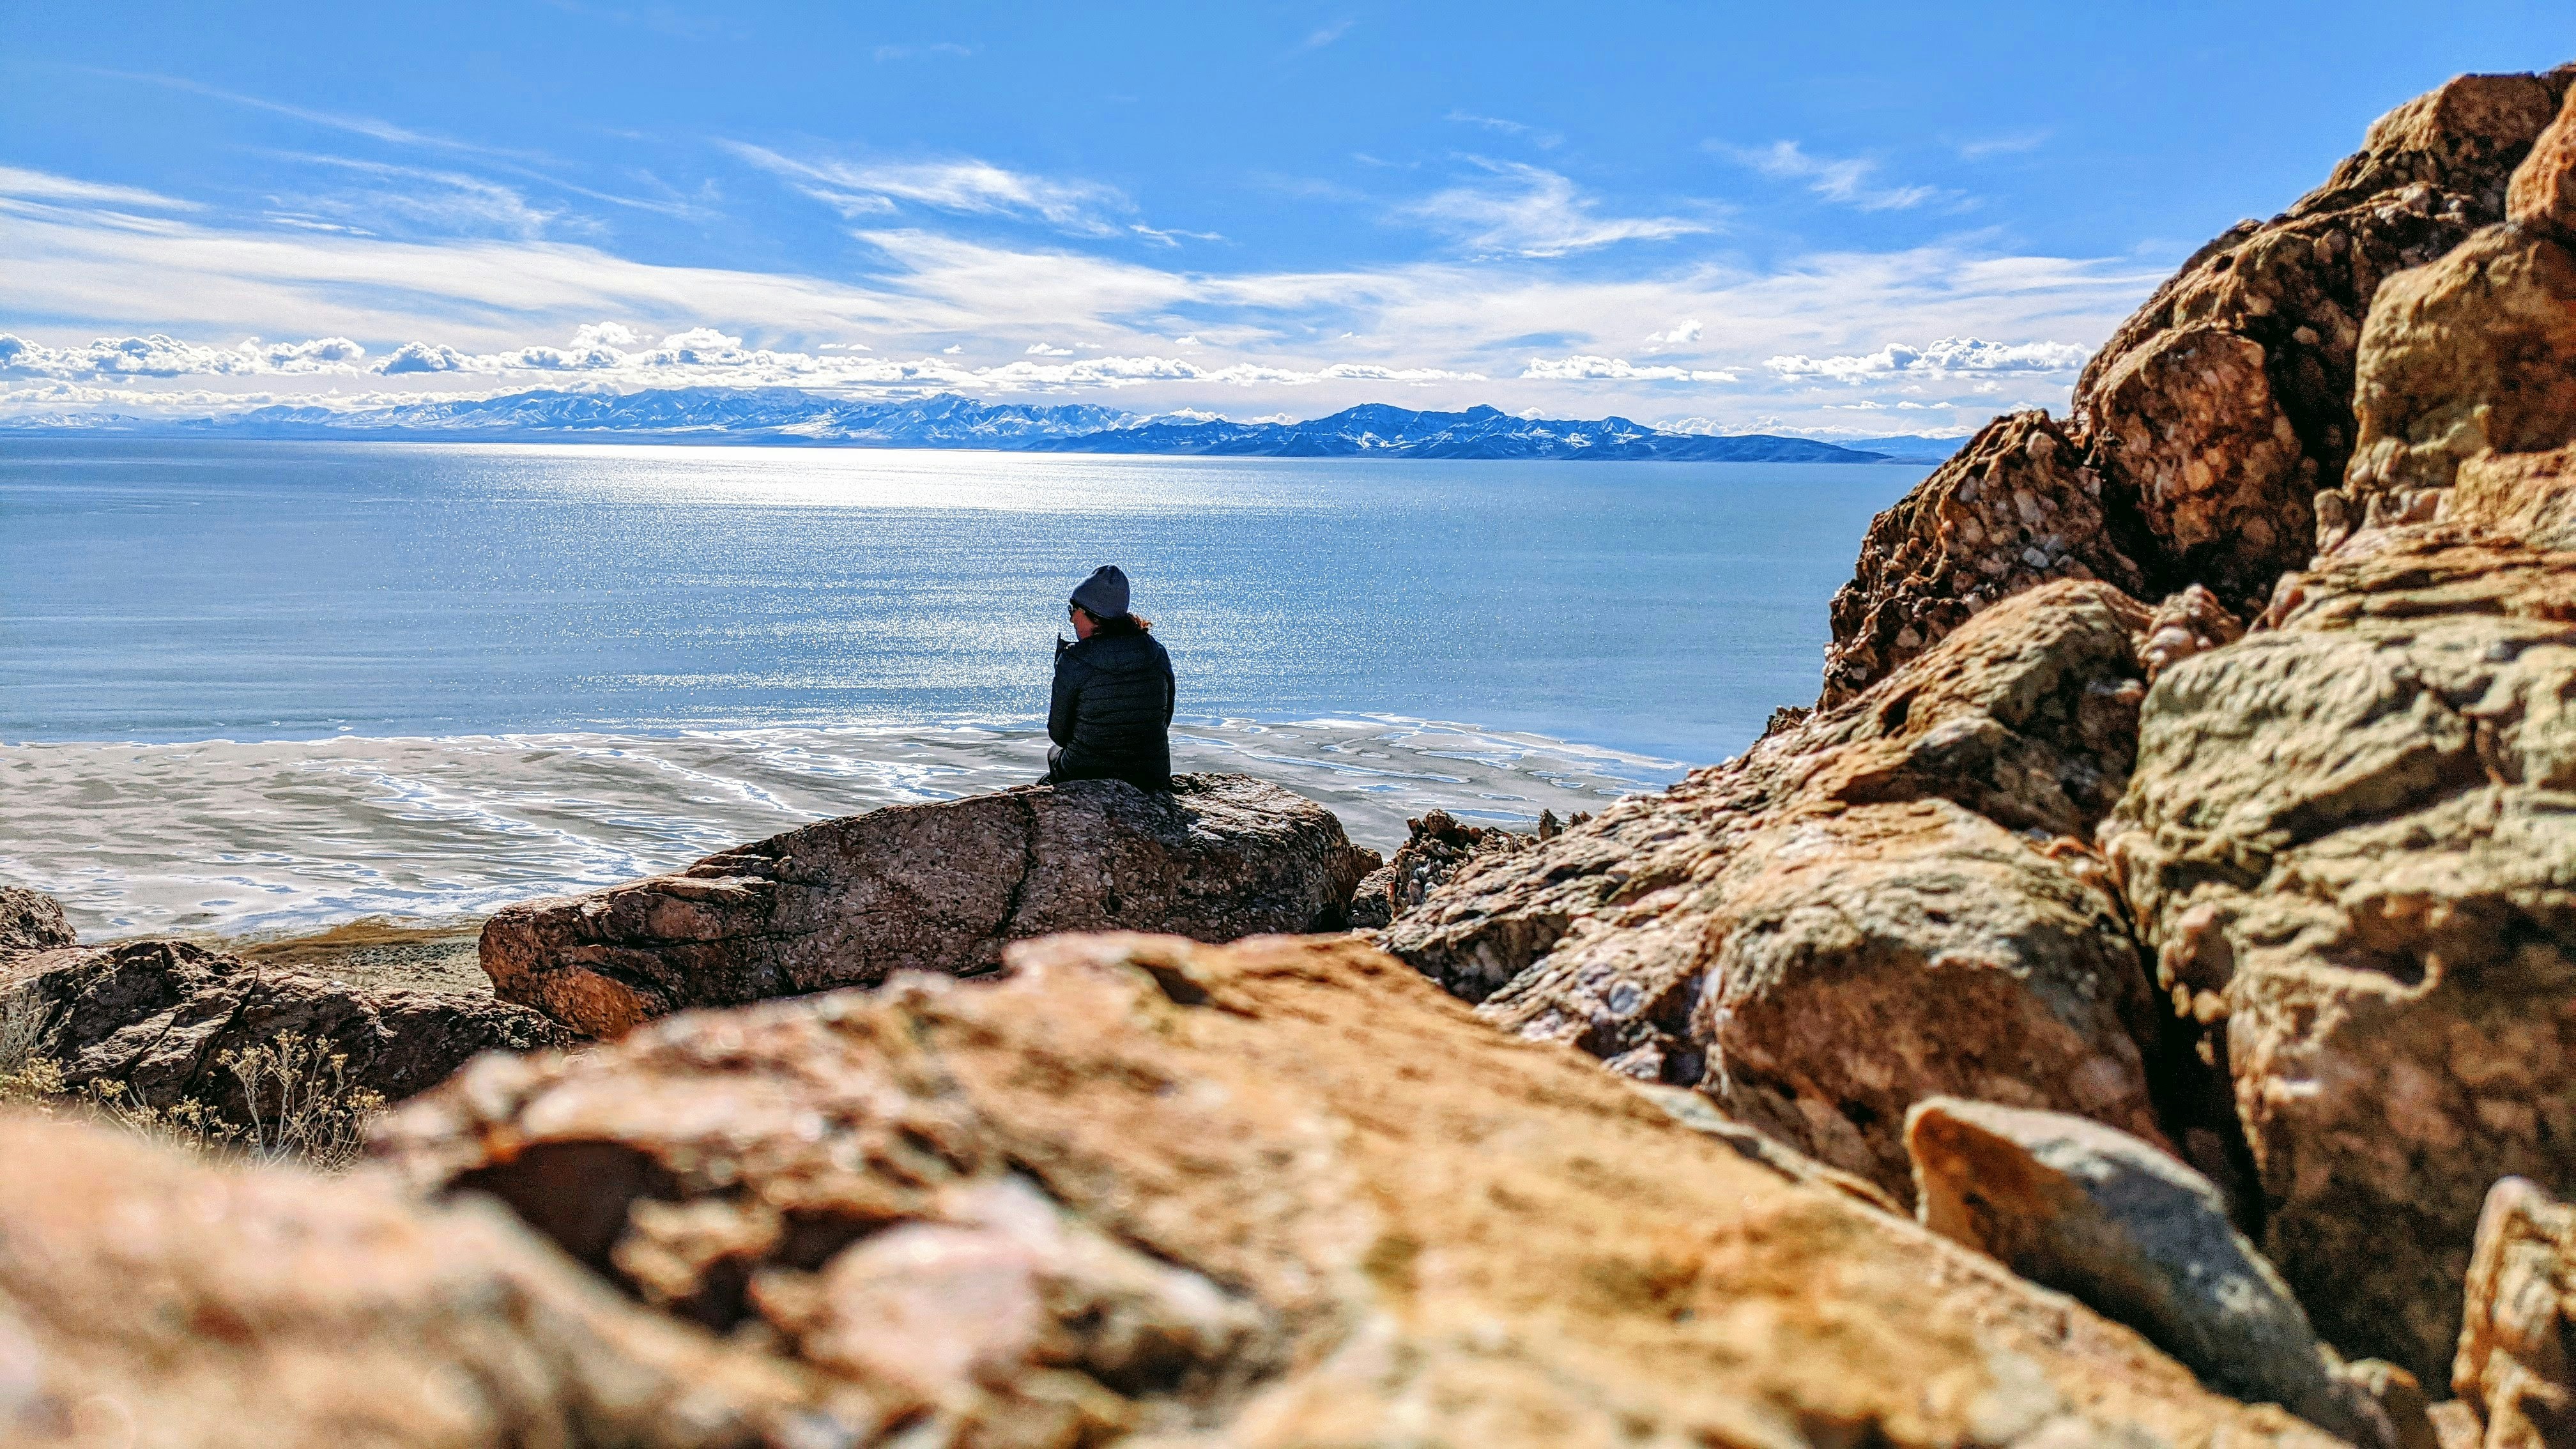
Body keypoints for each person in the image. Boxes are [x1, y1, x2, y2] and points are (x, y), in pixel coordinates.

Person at [1045, 564, 1176, 792]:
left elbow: (1059, 734)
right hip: (1151, 775)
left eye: (1073, 610)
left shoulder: (1074, 661)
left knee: (1053, 753)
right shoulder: (1157, 652)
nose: (1071, 620)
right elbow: (1165, 719)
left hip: (1085, 772)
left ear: (1092, 616)